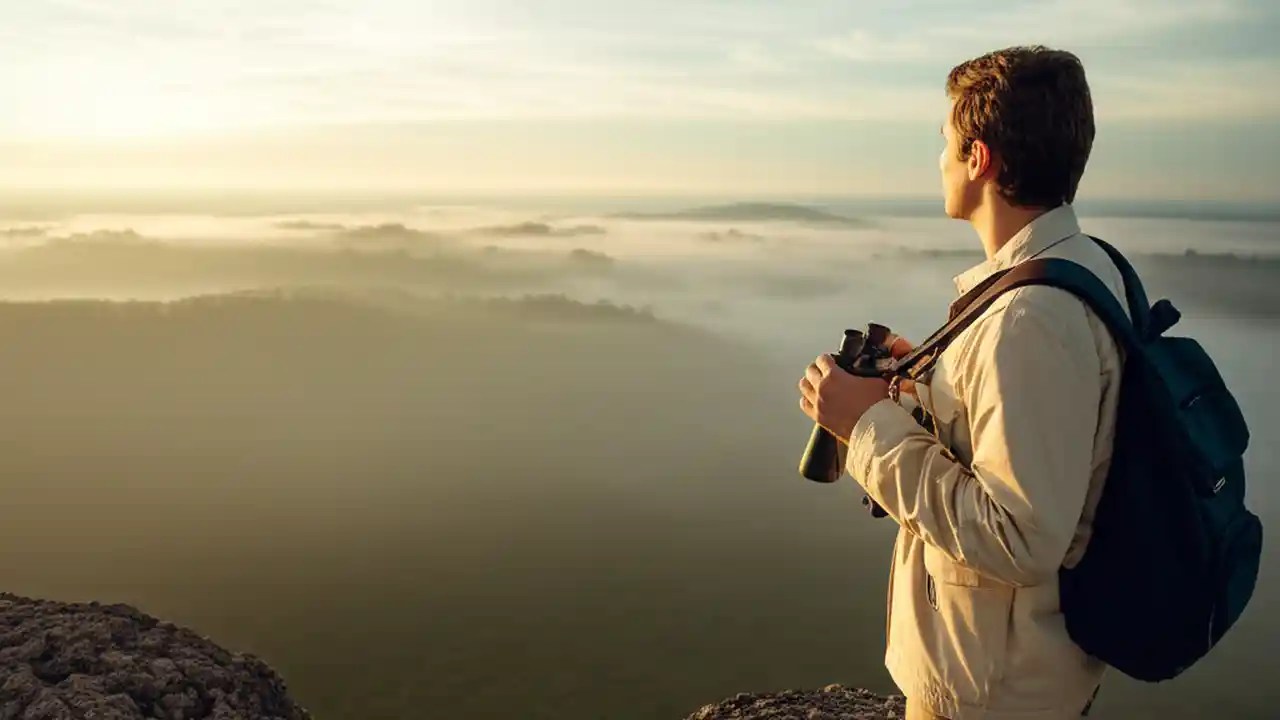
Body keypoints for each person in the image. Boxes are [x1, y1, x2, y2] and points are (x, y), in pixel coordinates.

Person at [797, 46, 1129, 720]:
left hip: (987, 693)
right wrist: (940, 384)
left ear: (980, 159)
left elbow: (1020, 537)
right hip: (1019, 673)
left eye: (945, 142)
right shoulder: (1080, 267)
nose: (939, 159)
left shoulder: (1028, 320)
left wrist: (867, 426)